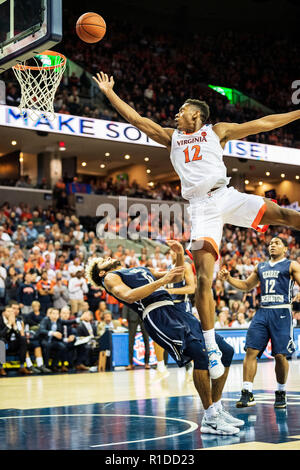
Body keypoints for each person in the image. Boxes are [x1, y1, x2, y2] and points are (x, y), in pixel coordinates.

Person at [92, 71, 300, 380]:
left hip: (226, 196)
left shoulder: (218, 131)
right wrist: (109, 93)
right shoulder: (171, 137)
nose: (175, 114)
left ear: (197, 116)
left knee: (282, 214)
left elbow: (265, 123)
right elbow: (137, 120)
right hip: (202, 209)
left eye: (181, 111)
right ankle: (210, 348)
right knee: (204, 277)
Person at [85, 240, 244, 435]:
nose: (107, 258)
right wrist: (160, 281)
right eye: (102, 261)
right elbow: (128, 296)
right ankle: (210, 417)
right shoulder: (110, 277)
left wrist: (178, 254)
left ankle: (217, 408)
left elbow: (176, 273)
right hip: (157, 316)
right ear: (101, 272)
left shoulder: (140, 269)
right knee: (200, 356)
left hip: (177, 311)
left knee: (225, 351)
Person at [218, 237, 299, 409]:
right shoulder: (260, 266)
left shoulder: (291, 265)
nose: (272, 245)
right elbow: (247, 286)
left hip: (282, 311)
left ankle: (281, 391)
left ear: (285, 249)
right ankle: (247, 392)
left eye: (277, 243)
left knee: (280, 355)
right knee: (251, 351)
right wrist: (229, 279)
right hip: (262, 312)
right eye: (270, 243)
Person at [122, 304, 150, 370]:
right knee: (131, 341)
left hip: (144, 317)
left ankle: (147, 363)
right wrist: (124, 318)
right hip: (132, 316)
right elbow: (126, 302)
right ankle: (130, 363)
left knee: (146, 340)